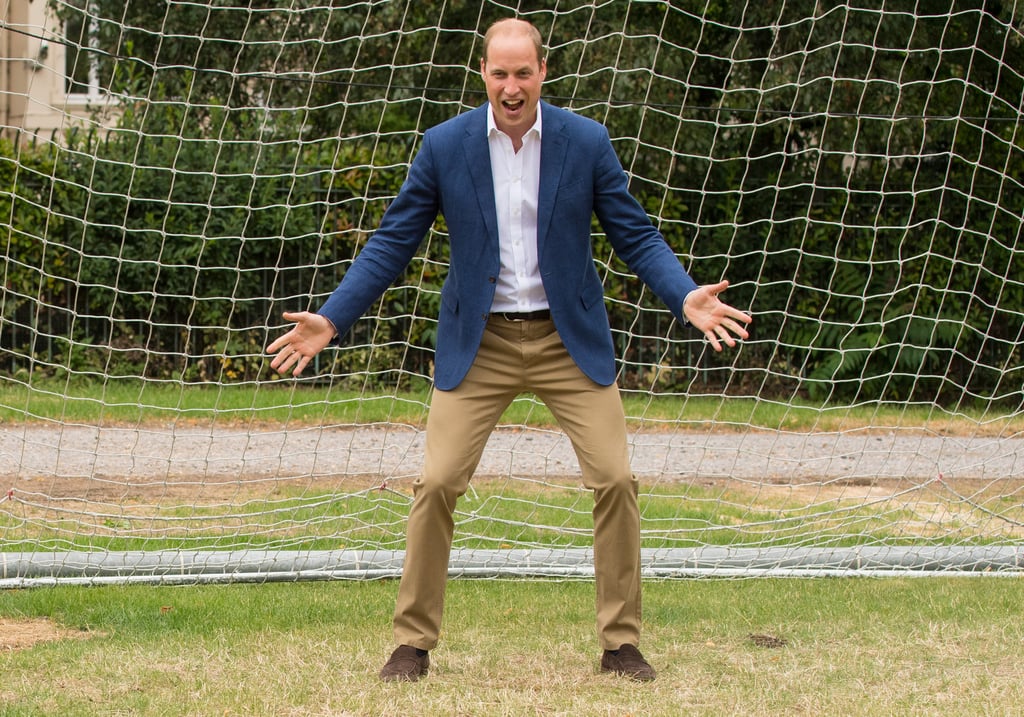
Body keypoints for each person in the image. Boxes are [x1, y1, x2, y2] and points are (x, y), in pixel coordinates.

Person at [268, 17, 752, 683]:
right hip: (481, 340)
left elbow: (634, 234)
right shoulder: (446, 146)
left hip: (566, 337)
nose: (512, 85)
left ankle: (621, 643)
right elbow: (392, 240)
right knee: (436, 482)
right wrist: (333, 317)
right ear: (484, 75)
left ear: (543, 74)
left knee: (615, 479)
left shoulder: (585, 143)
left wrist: (684, 296)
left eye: (524, 72)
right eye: (500, 73)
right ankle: (412, 643)